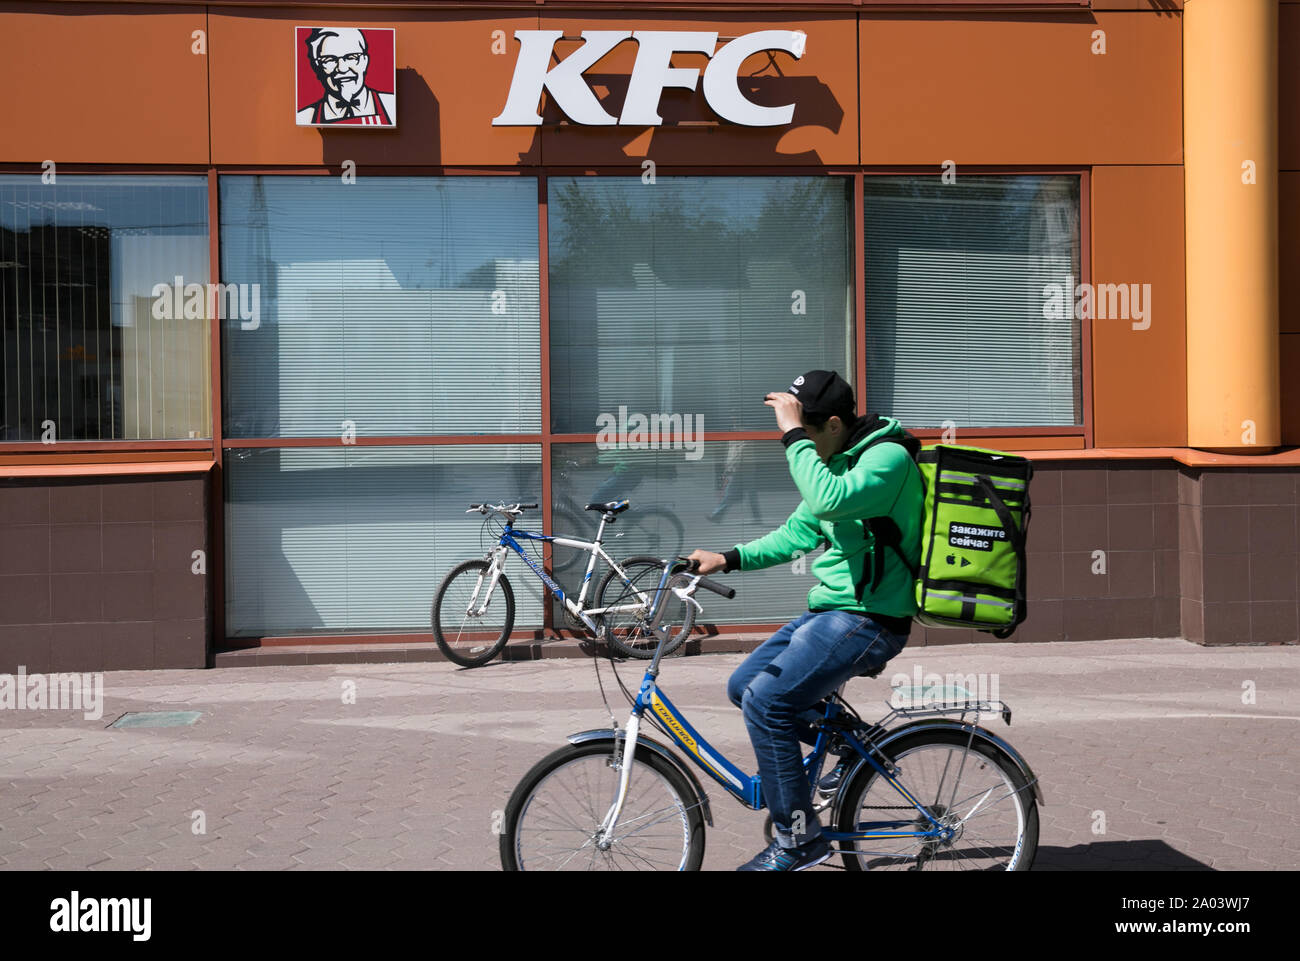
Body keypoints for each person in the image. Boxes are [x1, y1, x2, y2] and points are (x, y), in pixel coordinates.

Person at [687, 370, 923, 871]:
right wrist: (725, 558)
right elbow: (797, 532)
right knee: (743, 685)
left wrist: (793, 437)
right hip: (832, 611)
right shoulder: (838, 460)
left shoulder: (888, 459)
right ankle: (854, 750)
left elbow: (827, 501)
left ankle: (798, 840)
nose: (798, 443)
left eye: (806, 430)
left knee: (769, 703)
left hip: (872, 619)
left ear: (833, 425)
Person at [297, 28, 396, 126]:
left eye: (351, 57)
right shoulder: (305, 117)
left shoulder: (390, 105)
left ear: (365, 61)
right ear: (318, 67)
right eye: (329, 59)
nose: (342, 68)